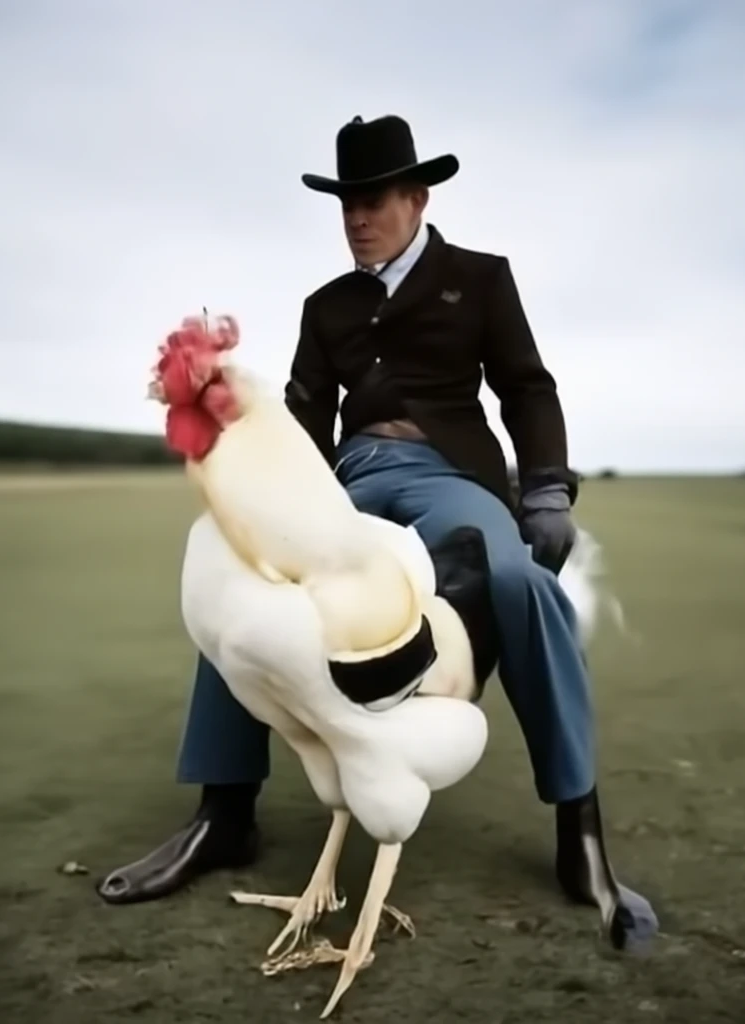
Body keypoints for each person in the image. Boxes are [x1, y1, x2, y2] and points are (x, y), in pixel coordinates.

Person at [96, 114, 658, 951]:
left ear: (416, 197)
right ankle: (224, 812)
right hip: (349, 485)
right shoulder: (325, 306)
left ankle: (580, 830)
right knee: (248, 587)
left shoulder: (481, 278)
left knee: (518, 583)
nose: (356, 217)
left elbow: (528, 390)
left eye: (372, 200)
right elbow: (305, 416)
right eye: (345, 203)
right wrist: (266, 502)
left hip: (452, 481)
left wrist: (544, 488)